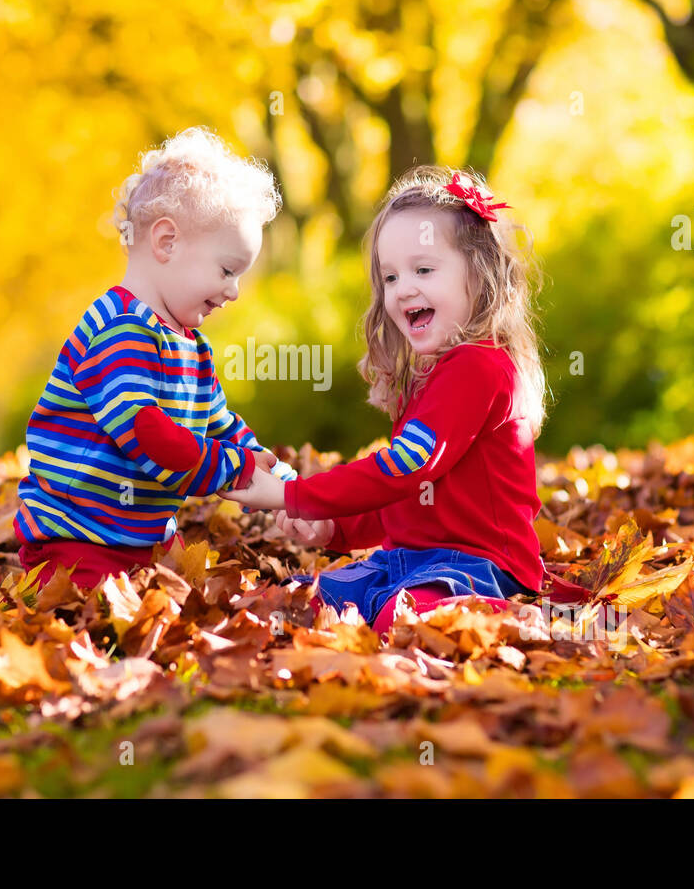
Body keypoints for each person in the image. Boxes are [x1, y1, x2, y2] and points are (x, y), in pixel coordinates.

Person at [222, 165, 547, 636]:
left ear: (479, 274)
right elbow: (410, 497)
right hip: (404, 561)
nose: (403, 288)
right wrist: (337, 530)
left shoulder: (480, 366)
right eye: (390, 277)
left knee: (407, 619)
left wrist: (295, 496)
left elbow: (407, 465)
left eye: (423, 269)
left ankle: (514, 617)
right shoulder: (430, 376)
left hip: (482, 567)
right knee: (287, 602)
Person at [0, 127, 295, 605]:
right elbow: (149, 435)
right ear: (167, 242)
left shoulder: (190, 345)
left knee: (186, 596)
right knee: (88, 608)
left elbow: (219, 424)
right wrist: (234, 468)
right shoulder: (119, 330)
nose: (234, 291)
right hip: (78, 539)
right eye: (227, 270)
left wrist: (281, 479)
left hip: (140, 536)